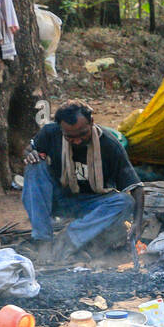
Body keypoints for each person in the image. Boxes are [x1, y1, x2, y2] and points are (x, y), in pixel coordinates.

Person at [22, 102, 144, 264]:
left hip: (91, 204)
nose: (78, 141)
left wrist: (137, 222)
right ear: (60, 129)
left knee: (125, 201)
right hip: (57, 199)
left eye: (83, 134)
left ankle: (69, 239)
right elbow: (28, 150)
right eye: (70, 137)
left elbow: (136, 188)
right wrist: (31, 154)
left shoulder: (109, 144)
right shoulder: (50, 133)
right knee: (34, 167)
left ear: (91, 122)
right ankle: (43, 241)